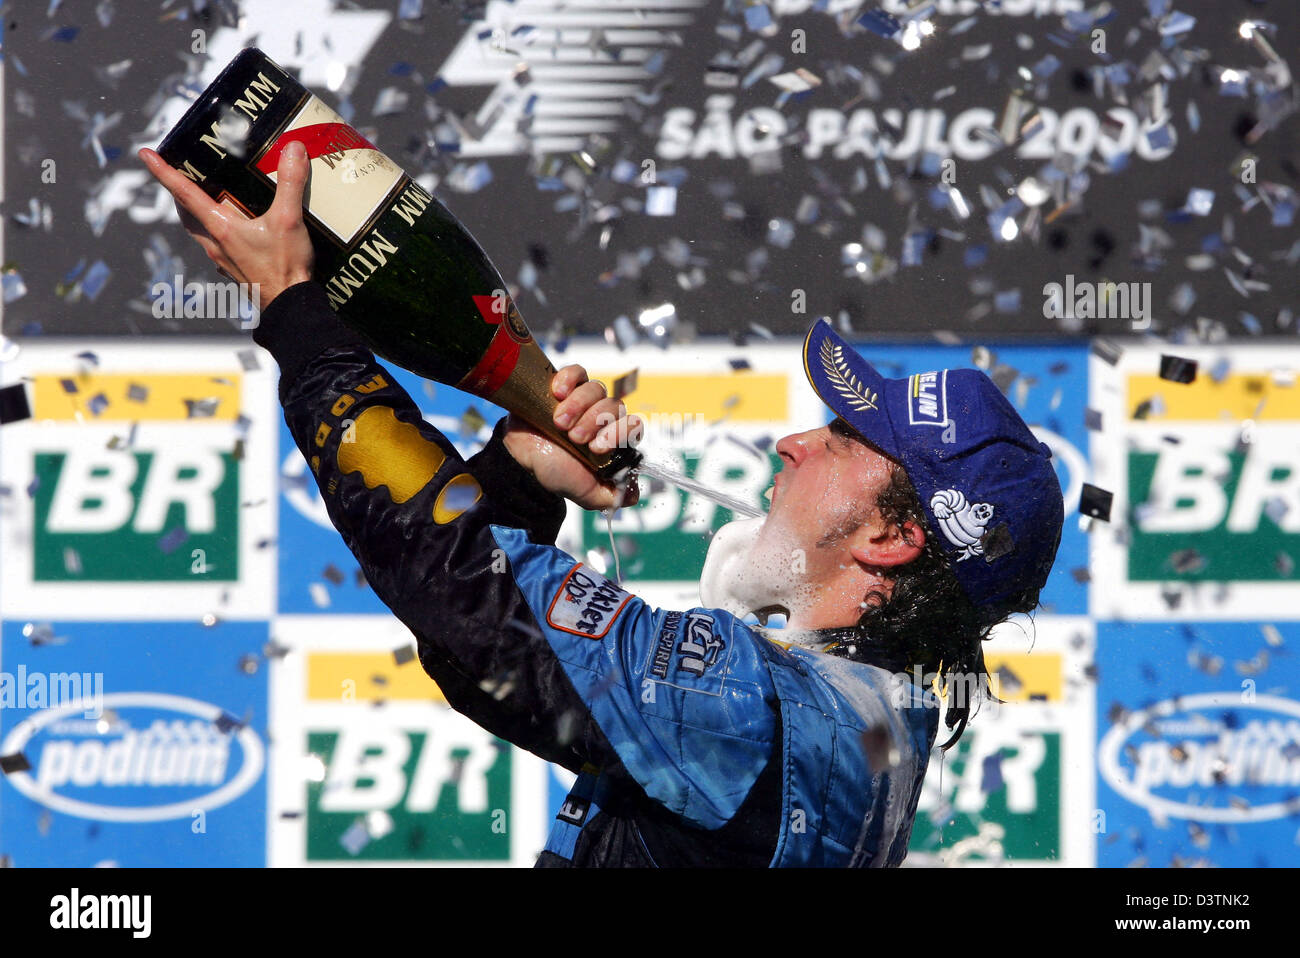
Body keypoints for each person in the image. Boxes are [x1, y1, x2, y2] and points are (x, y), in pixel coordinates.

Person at [140, 142, 1065, 867]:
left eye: (843, 438)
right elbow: (493, 660)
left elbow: (457, 586)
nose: (795, 442)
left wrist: (294, 308)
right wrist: (526, 467)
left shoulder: (749, 710)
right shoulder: (879, 727)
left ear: (895, 538)